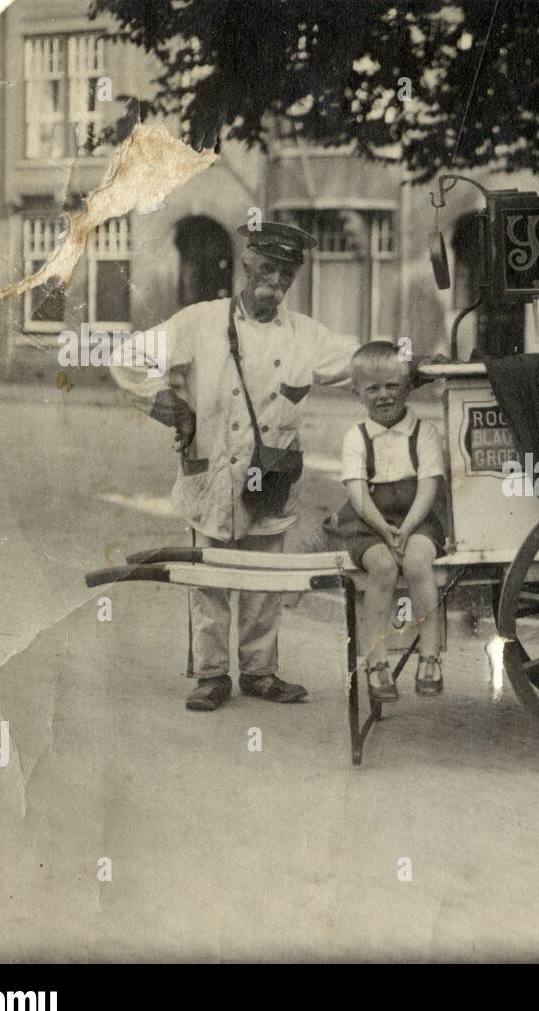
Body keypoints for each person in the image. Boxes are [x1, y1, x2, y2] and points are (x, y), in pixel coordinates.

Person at [112, 221, 358, 711]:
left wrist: (411, 364)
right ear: (247, 264)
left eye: (286, 273)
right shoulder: (199, 323)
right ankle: (210, 674)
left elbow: (362, 359)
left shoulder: (306, 336)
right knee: (210, 576)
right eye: (268, 267)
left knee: (266, 575)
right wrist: (168, 405)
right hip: (215, 474)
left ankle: (260, 672)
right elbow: (127, 357)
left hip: (271, 476)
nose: (276, 280)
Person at [328, 342, 447, 700]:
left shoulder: (423, 433)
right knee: (380, 565)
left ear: (408, 386)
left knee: (418, 560)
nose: (383, 396)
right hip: (369, 520)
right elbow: (357, 492)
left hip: (417, 516)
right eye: (373, 389)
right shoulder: (356, 437)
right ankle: (376, 661)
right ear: (357, 393)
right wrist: (383, 528)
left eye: (392, 386)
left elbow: (429, 486)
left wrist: (408, 528)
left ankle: (430, 655)